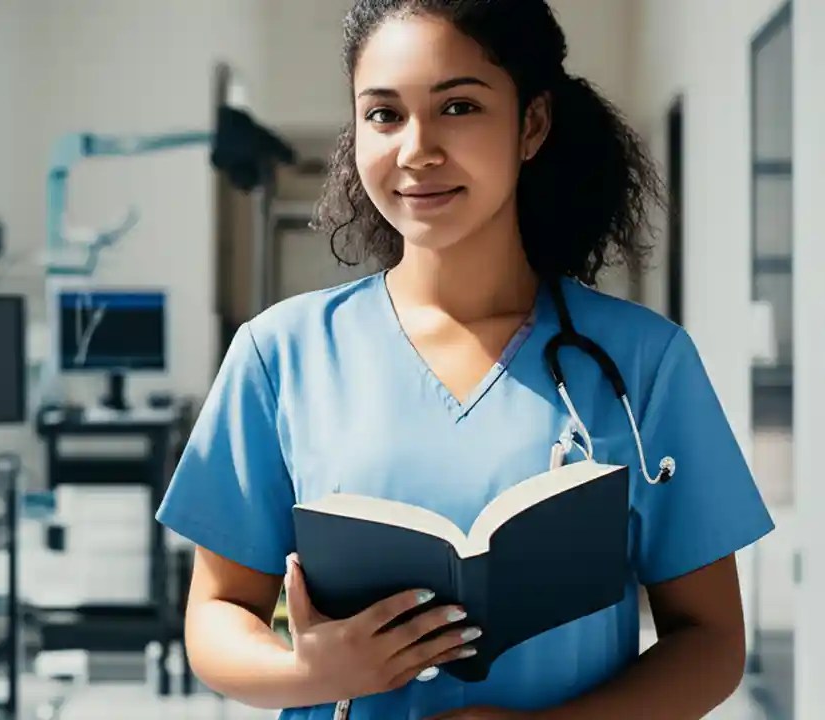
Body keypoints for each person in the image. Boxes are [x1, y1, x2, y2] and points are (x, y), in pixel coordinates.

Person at [155, 1, 774, 718]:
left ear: (531, 125)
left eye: (458, 106)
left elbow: (711, 640)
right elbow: (216, 617)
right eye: (383, 114)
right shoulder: (278, 355)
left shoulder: (643, 361)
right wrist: (310, 671)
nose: (417, 149)